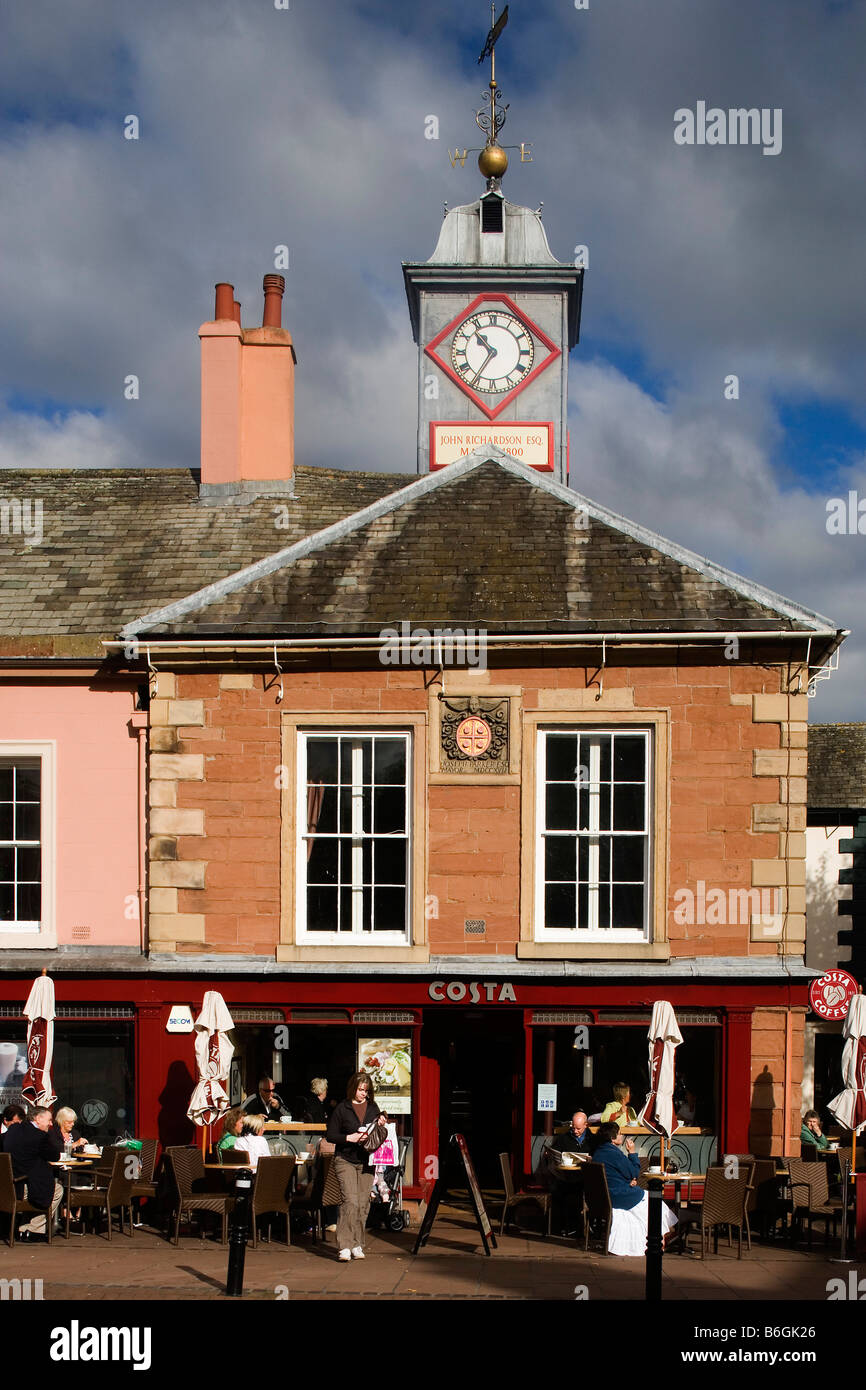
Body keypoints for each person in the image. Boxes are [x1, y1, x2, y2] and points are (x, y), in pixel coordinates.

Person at [592, 1122, 677, 1256]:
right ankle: (663, 1235)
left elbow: (613, 1175)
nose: (622, 1135)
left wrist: (628, 1180)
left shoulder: (598, 1152)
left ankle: (663, 1234)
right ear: (613, 1138)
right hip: (620, 1195)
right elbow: (633, 1172)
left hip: (607, 1196)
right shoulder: (614, 1154)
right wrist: (632, 1152)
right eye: (620, 1133)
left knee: (648, 1206)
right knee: (653, 1201)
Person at [326, 1071, 386, 1262]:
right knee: (349, 1201)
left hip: (367, 1160)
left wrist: (381, 1123)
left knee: (362, 1204)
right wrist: (348, 1138)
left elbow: (379, 1132)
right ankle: (344, 1246)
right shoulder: (342, 1109)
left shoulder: (372, 1107)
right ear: (353, 1088)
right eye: (360, 1090)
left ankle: (357, 1243)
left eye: (366, 1091)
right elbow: (330, 1135)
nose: (363, 1094)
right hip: (345, 1158)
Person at [2, 1105, 63, 1238]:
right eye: (49, 1120)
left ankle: (23, 1228)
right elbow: (55, 1156)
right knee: (56, 1189)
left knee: (39, 1185)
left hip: (7, 1185)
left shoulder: (13, 1129)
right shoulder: (39, 1136)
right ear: (38, 1119)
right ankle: (34, 1229)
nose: (51, 1124)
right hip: (21, 1188)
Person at [543, 1112, 595, 1236]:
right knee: (560, 1190)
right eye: (573, 1128)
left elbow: (598, 1156)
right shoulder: (564, 1137)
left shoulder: (592, 1139)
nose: (575, 1131)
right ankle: (566, 1226)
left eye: (578, 1128)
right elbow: (555, 1150)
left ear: (586, 1125)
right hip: (566, 1177)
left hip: (585, 1178)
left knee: (576, 1191)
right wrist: (549, 1155)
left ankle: (578, 1227)